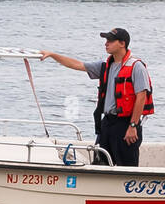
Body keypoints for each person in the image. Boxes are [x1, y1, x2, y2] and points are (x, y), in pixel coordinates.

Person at [40, 28, 152, 167]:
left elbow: (141, 97)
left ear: (122, 43)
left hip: (126, 124)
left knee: (127, 165)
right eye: (106, 40)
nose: (106, 43)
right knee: (100, 162)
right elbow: (77, 64)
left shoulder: (137, 67)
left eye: (110, 40)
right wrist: (52, 55)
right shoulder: (105, 66)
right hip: (108, 123)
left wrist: (133, 126)